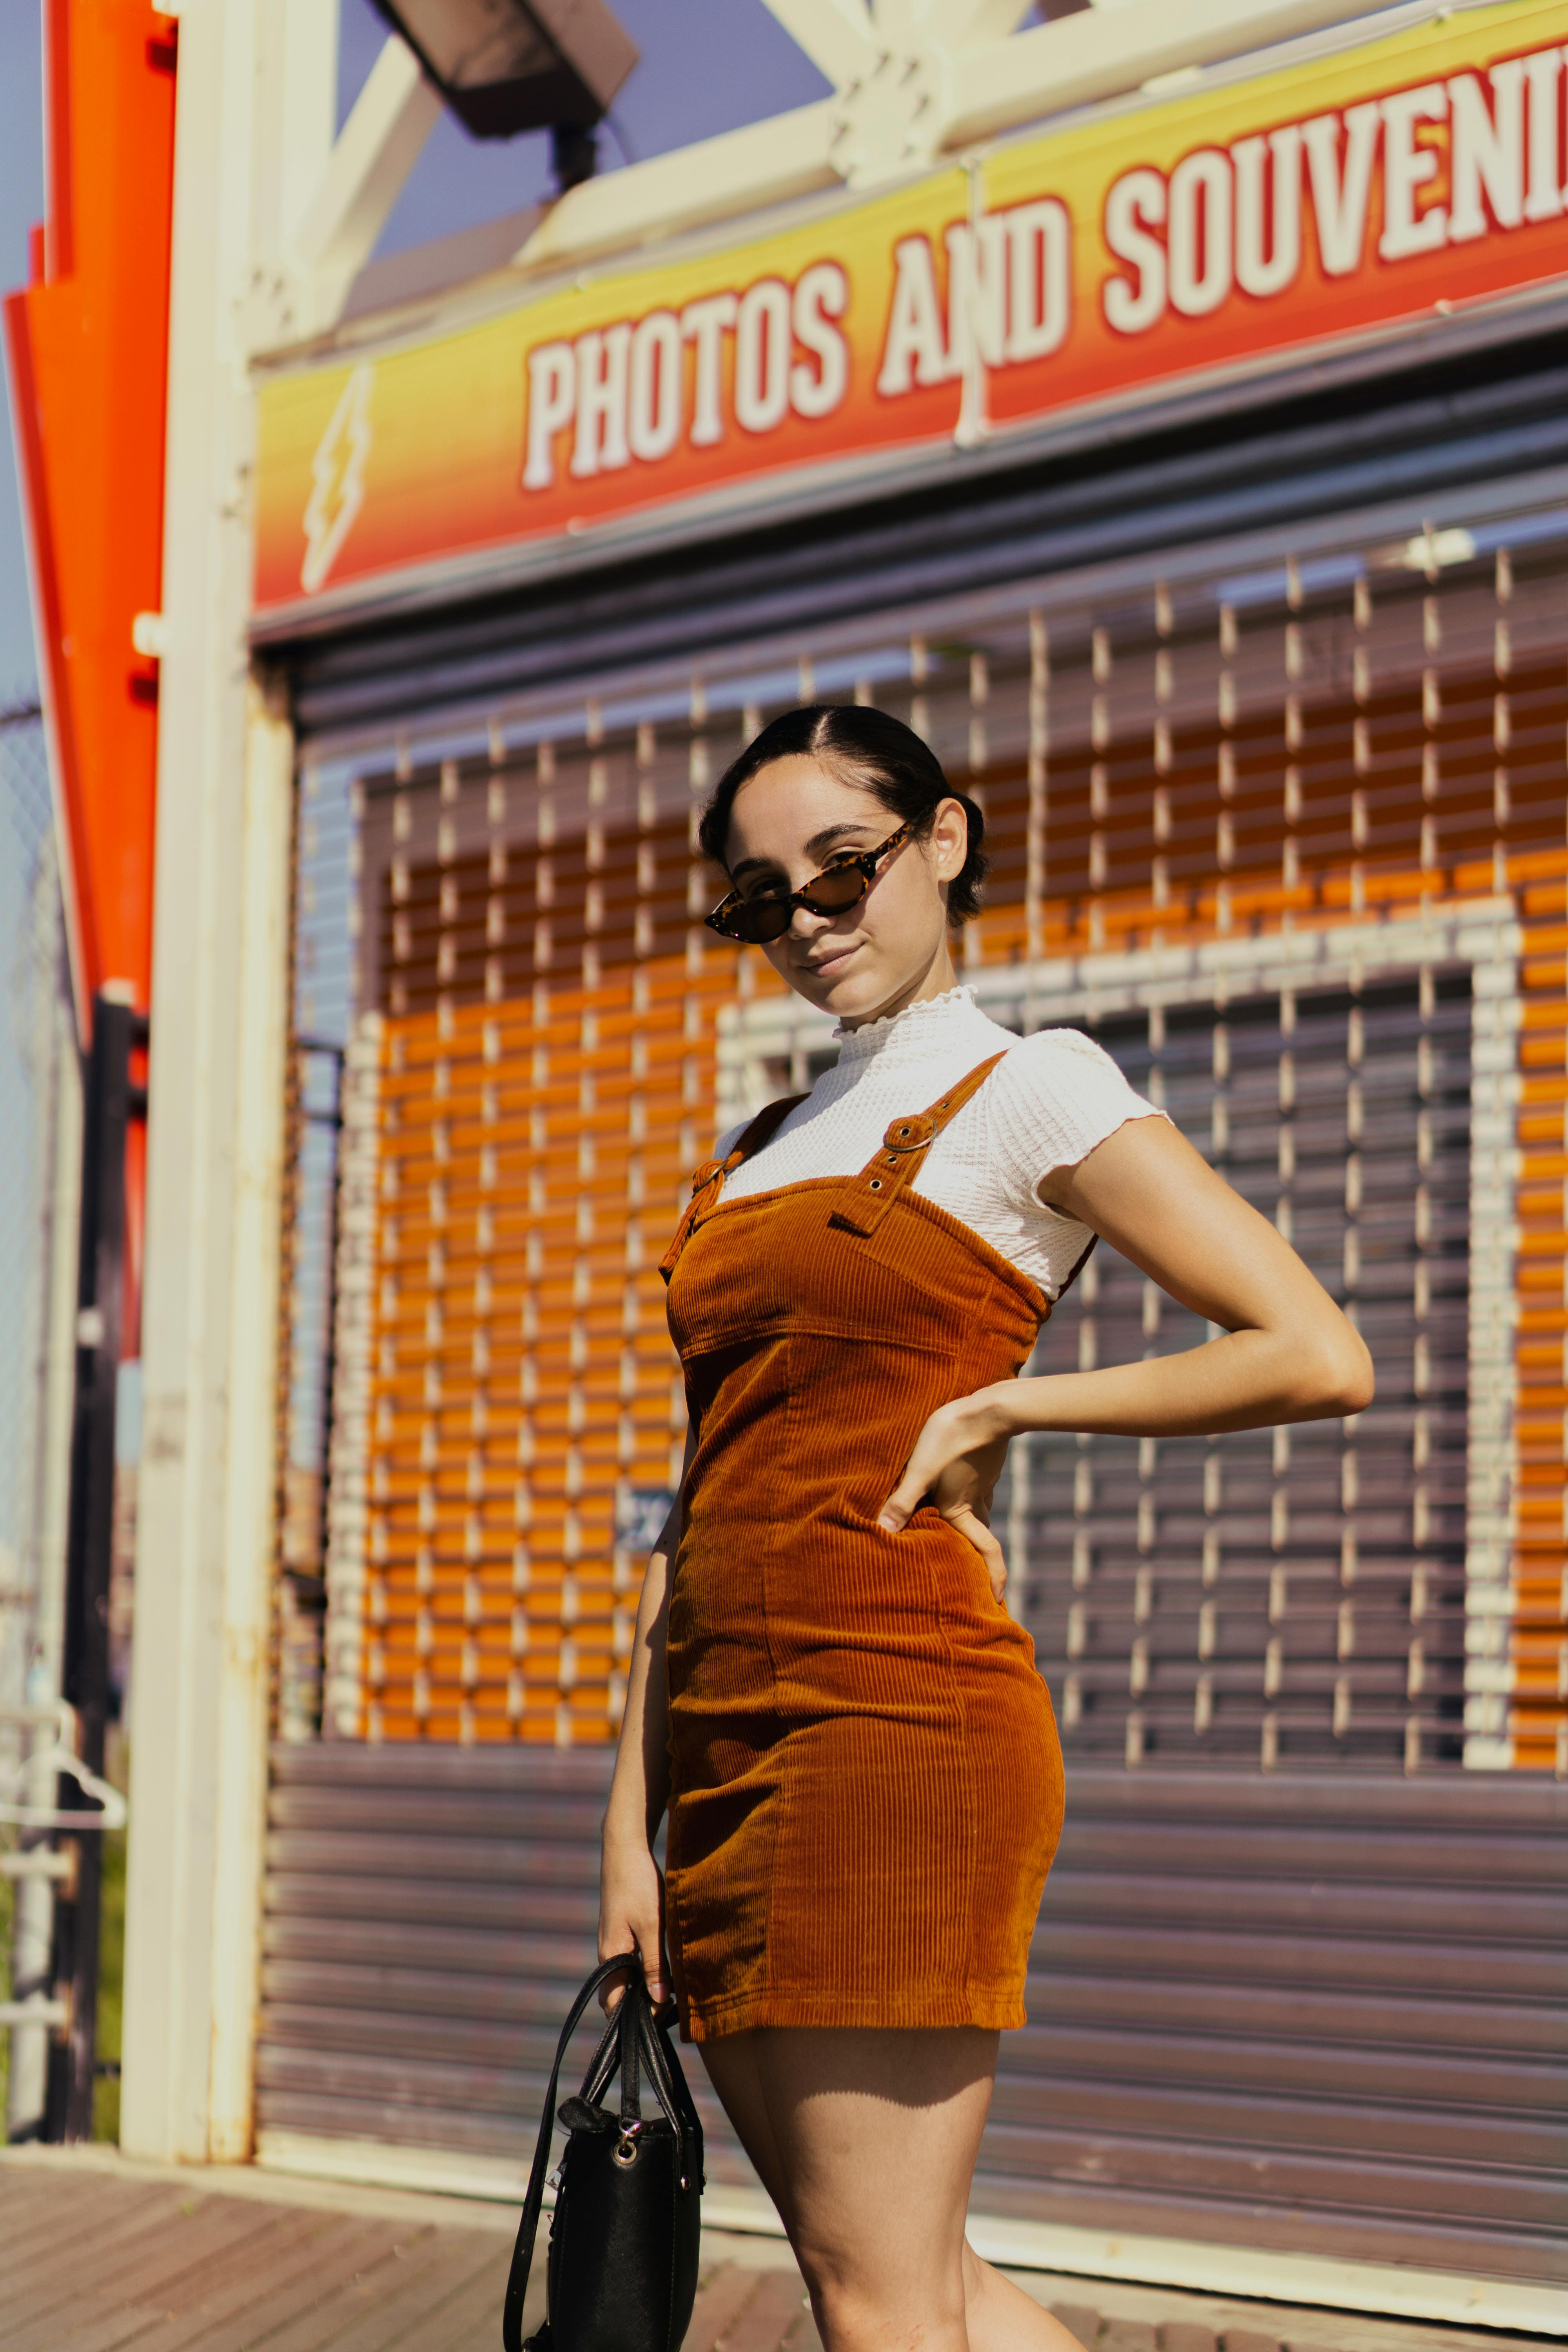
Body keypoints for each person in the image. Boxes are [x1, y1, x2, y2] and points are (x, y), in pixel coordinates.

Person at [598, 705, 1372, 2352]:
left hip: (896, 1720)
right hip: (727, 1736)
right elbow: (699, 1505)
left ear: (943, 842)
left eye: (843, 867)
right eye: (759, 897)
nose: (806, 917)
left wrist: (1012, 1406)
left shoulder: (1030, 1088)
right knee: (899, 2282)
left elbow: (1311, 1350)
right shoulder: (752, 1151)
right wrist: (627, 1831)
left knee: (880, 2296)